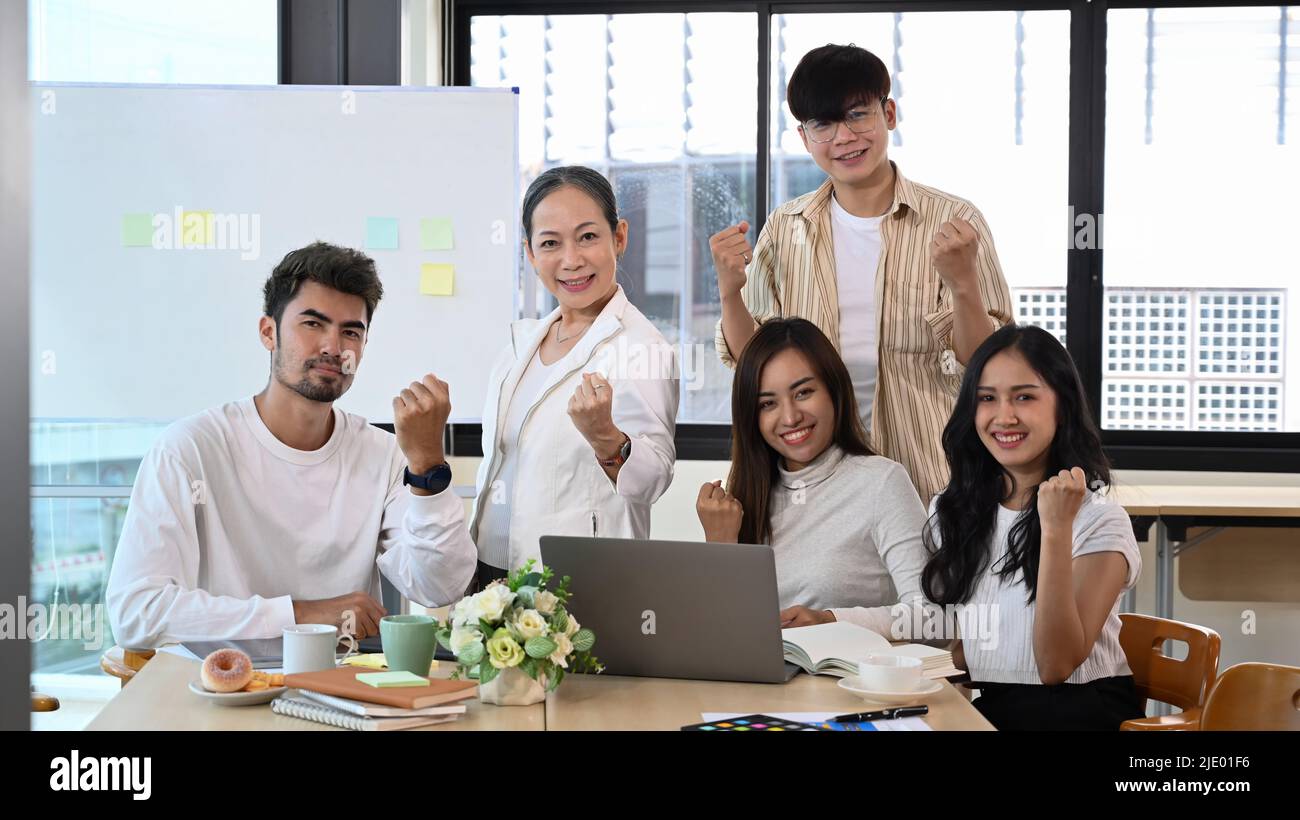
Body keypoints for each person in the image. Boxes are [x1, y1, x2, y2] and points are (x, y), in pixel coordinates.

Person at [106, 242, 476, 649]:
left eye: (351, 332)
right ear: (269, 332)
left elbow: (439, 586)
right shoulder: (189, 449)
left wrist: (427, 466)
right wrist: (301, 615)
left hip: (341, 684)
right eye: (313, 324)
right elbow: (135, 613)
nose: (333, 348)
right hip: (223, 682)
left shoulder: (384, 455)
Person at [711, 43, 1014, 503]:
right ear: (804, 137)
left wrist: (964, 284)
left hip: (930, 478)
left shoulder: (954, 222)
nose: (844, 137)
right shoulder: (786, 227)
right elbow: (752, 361)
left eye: (857, 115)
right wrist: (729, 293)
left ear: (888, 113)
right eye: (824, 124)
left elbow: (989, 364)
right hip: (814, 483)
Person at [920, 324, 1143, 731]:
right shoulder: (957, 511)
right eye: (987, 398)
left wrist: (1056, 528)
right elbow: (970, 647)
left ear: (1063, 406)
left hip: (1080, 714)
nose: (1004, 416)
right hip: (996, 707)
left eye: (1024, 397)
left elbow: (1056, 665)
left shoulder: (1100, 520)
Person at [470, 166, 679, 585]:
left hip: (572, 578)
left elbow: (653, 480)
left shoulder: (642, 347)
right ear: (530, 254)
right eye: (550, 243)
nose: (571, 260)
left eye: (587, 237)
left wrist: (607, 438)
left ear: (619, 237)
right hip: (489, 571)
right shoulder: (518, 348)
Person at [696, 318, 927, 638]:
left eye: (803, 392)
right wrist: (721, 547)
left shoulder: (882, 482)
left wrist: (832, 621)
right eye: (768, 404)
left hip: (851, 670)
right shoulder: (745, 499)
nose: (790, 417)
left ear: (833, 390)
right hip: (769, 672)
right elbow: (722, 636)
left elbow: (930, 616)